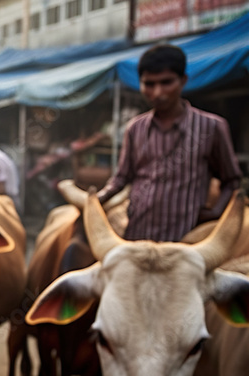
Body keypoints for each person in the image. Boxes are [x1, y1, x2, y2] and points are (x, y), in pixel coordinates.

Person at [96, 44, 242, 242]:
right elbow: (121, 178)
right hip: (137, 236)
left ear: (182, 81)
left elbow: (231, 181)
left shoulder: (212, 127)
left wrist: (216, 211)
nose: (157, 92)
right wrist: (95, 200)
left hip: (186, 240)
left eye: (166, 82)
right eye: (149, 84)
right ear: (140, 84)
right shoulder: (134, 129)